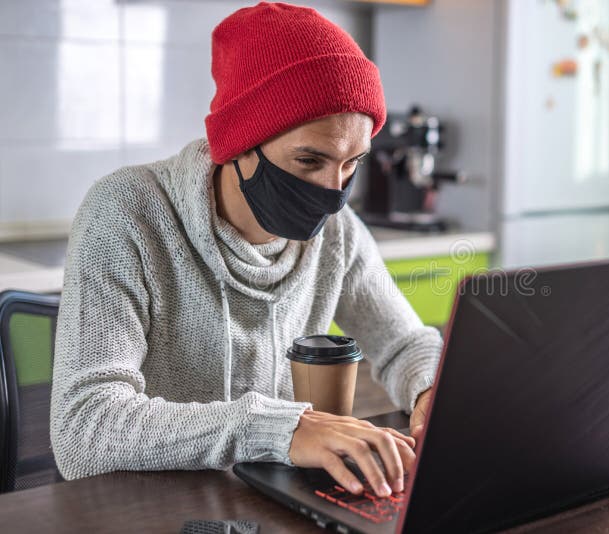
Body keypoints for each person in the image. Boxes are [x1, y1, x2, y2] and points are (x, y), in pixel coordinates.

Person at [50, 2, 442, 500]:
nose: (332, 191)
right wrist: (284, 429)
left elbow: (406, 343)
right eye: (309, 159)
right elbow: (84, 428)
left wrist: (430, 391)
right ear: (239, 142)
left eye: (352, 163)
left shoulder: (339, 231)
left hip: (265, 502)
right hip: (144, 509)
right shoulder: (126, 213)